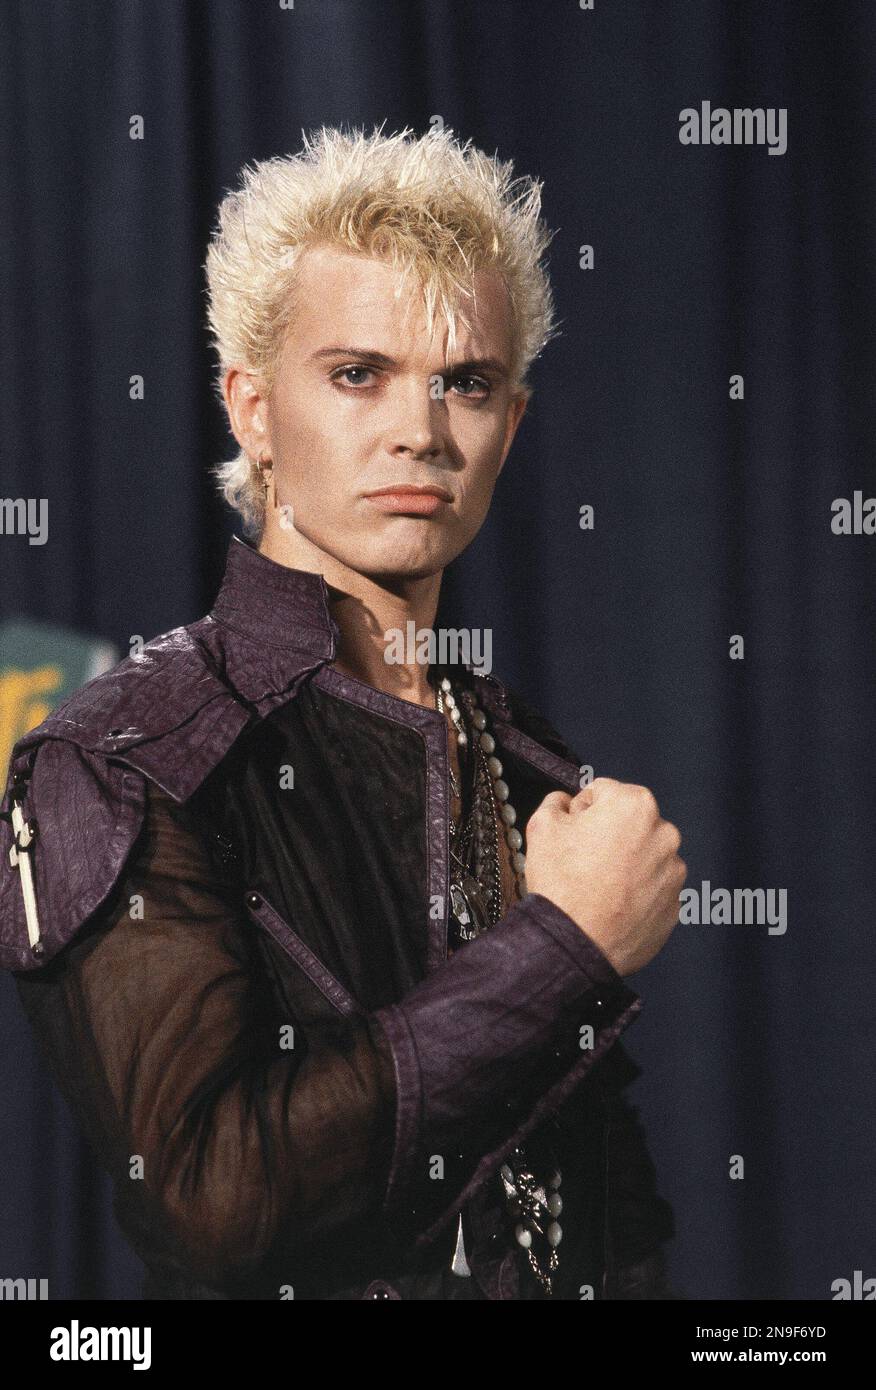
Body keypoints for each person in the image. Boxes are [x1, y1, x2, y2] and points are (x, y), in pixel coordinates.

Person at [0, 124, 686, 1300]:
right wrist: (562, 947)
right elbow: (210, 1200)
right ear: (253, 412)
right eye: (358, 373)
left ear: (510, 426)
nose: (421, 430)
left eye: (464, 382)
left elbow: (606, 1219)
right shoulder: (121, 757)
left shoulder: (527, 762)